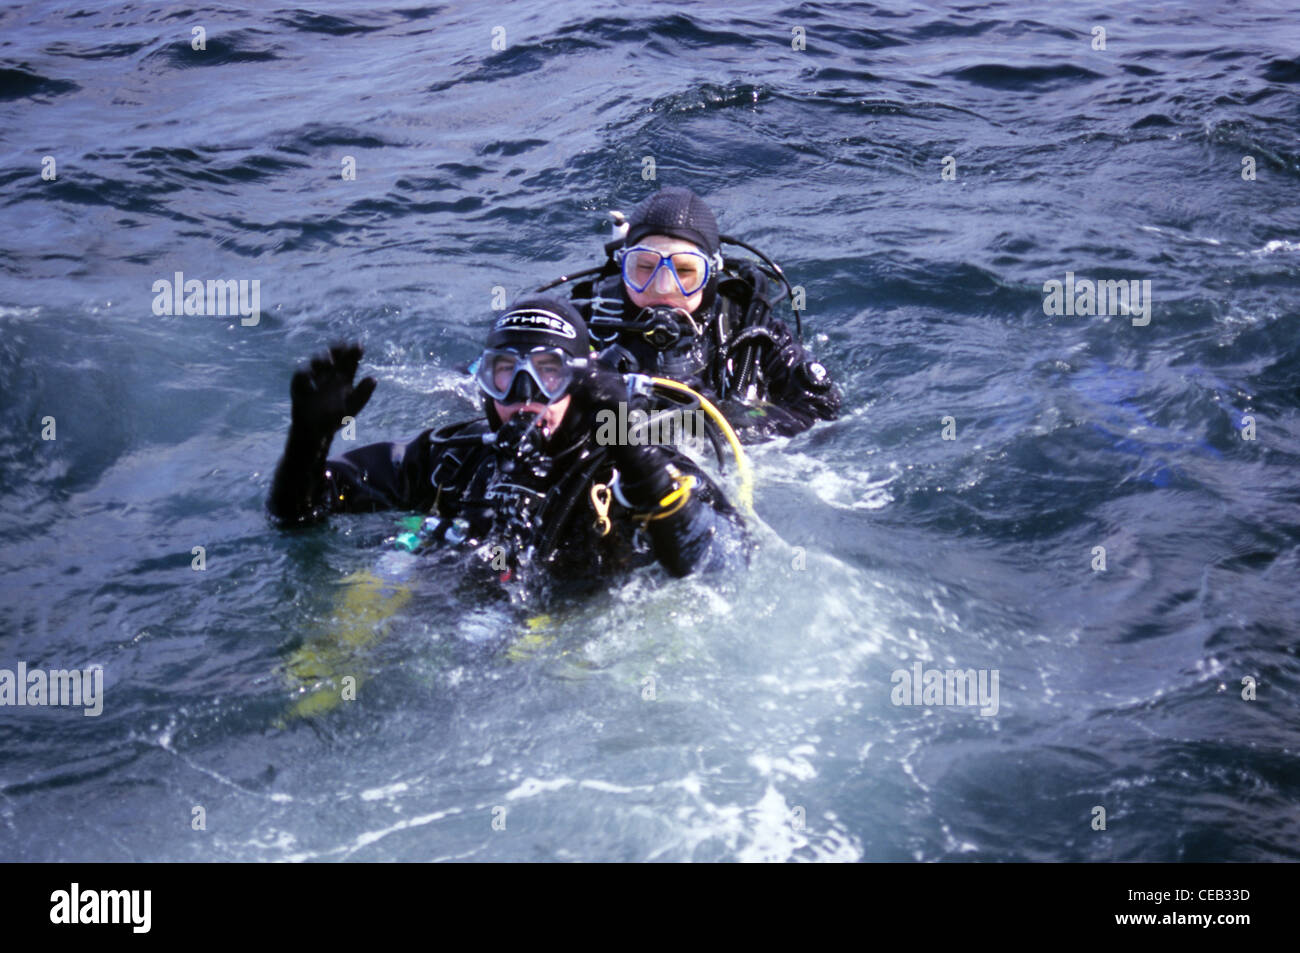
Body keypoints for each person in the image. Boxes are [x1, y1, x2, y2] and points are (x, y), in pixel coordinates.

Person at [266, 296, 747, 588]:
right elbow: (299, 516)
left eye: (548, 374)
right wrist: (308, 442)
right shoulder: (450, 458)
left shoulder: (630, 468)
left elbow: (722, 564)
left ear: (581, 381)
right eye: (505, 374)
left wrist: (632, 453)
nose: (523, 397)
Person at [543, 186, 840, 440]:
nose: (662, 287)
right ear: (623, 268)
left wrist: (727, 419)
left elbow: (822, 410)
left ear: (711, 274)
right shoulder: (582, 326)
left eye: (685, 271)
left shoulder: (747, 331)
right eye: (644, 267)